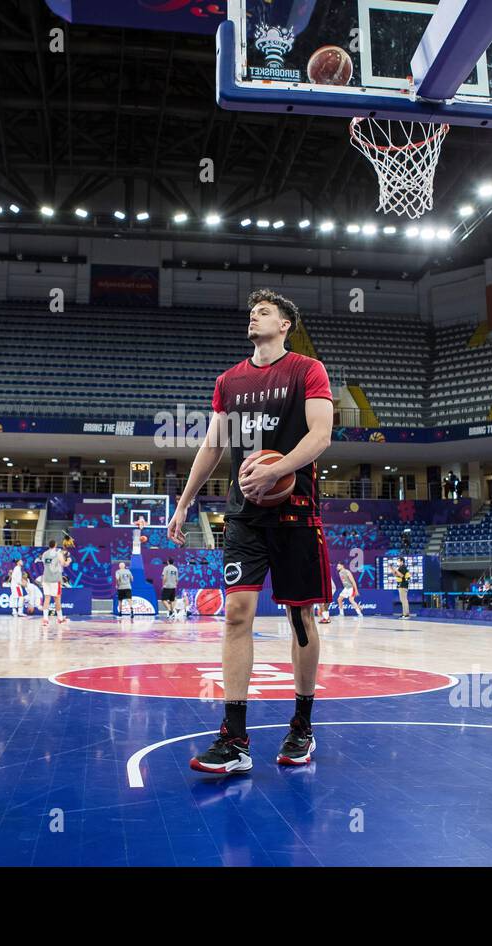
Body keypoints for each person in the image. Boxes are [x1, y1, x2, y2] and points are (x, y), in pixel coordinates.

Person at [169, 288, 333, 773]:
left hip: (296, 511)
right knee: (237, 615)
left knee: (300, 617)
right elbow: (213, 445)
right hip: (243, 516)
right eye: (251, 312)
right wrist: (184, 502)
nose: (253, 317)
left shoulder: (307, 370)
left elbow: (321, 435)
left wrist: (275, 469)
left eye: (263, 311)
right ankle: (235, 739)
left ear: (285, 325)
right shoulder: (229, 381)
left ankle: (302, 725)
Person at [38, 538, 70, 624]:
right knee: (57, 599)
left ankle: (45, 619)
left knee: (47, 598)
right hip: (55, 579)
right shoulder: (58, 553)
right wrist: (68, 560)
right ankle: (60, 618)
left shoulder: (44, 554)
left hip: (46, 578)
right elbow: (64, 564)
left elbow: (46, 563)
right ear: (55, 545)